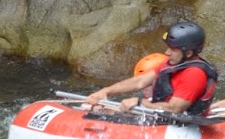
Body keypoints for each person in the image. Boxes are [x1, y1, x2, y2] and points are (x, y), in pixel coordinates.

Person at [84, 21, 217, 115]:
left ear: (188, 53)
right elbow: (139, 82)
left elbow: (174, 109)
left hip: (181, 126)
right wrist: (106, 91)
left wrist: (139, 102)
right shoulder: (175, 64)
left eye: (172, 49)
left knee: (103, 112)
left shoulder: (194, 74)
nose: (167, 53)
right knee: (95, 110)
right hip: (160, 116)